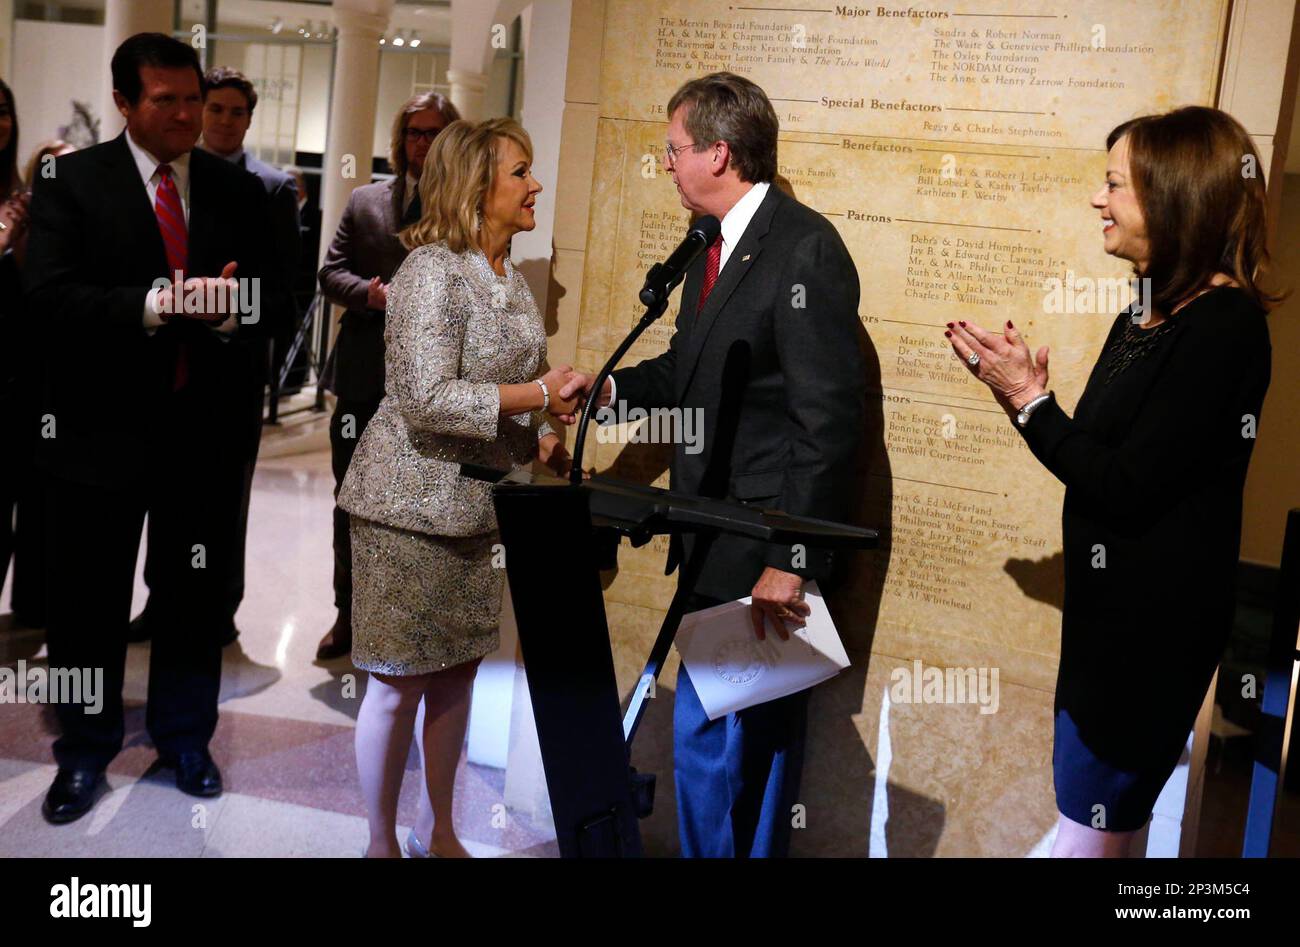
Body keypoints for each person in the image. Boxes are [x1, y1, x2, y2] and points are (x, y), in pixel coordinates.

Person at [943, 106, 1275, 857]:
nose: (1099, 200)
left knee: (1094, 834)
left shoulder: (1223, 328)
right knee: (1088, 826)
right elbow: (1088, 448)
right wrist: (1025, 392)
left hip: (1149, 642)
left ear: (1175, 196)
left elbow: (1125, 485)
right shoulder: (1149, 309)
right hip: (1103, 632)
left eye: (1115, 184)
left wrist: (1030, 405)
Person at [560, 72, 866, 858]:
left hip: (762, 550)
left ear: (720, 153)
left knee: (728, 748)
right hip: (708, 542)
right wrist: (610, 391)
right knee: (724, 749)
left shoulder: (805, 248)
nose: (666, 164)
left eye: (675, 149)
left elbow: (828, 420)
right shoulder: (710, 245)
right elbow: (685, 371)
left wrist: (790, 560)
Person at [23, 32, 276, 823]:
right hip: (98, 437)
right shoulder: (73, 182)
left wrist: (235, 312)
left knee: (194, 598)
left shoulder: (242, 194)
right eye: (163, 100)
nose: (184, 114)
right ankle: (85, 750)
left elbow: (280, 304)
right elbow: (49, 298)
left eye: (192, 99)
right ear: (124, 103)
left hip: (202, 438)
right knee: (88, 605)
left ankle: (186, 740)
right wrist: (155, 303)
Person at [337, 117, 576, 857]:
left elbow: (493, 391)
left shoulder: (507, 276)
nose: (535, 185)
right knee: (396, 681)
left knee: (454, 680)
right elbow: (427, 397)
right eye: (520, 172)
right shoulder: (431, 270)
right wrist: (535, 392)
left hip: (476, 513)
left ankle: (439, 830)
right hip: (407, 510)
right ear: (477, 186)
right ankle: (380, 840)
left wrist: (540, 436)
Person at [128, 66, 301, 646]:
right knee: (161, 500)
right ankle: (159, 602)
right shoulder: (157, 180)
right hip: (157, 371)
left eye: (237, 112)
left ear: (250, 119)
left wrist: (227, 308)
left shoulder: (271, 188)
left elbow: (286, 291)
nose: (224, 120)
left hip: (229, 371)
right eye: (216, 109)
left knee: (224, 503)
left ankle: (218, 608)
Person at [316, 91, 460, 661]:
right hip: (362, 374)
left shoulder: (466, 207)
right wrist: (371, 296)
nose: (421, 144)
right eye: (413, 133)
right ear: (400, 140)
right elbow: (330, 273)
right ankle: (346, 613)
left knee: (416, 507)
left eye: (432, 133)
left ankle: (403, 622)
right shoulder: (366, 200)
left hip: (433, 384)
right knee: (350, 499)